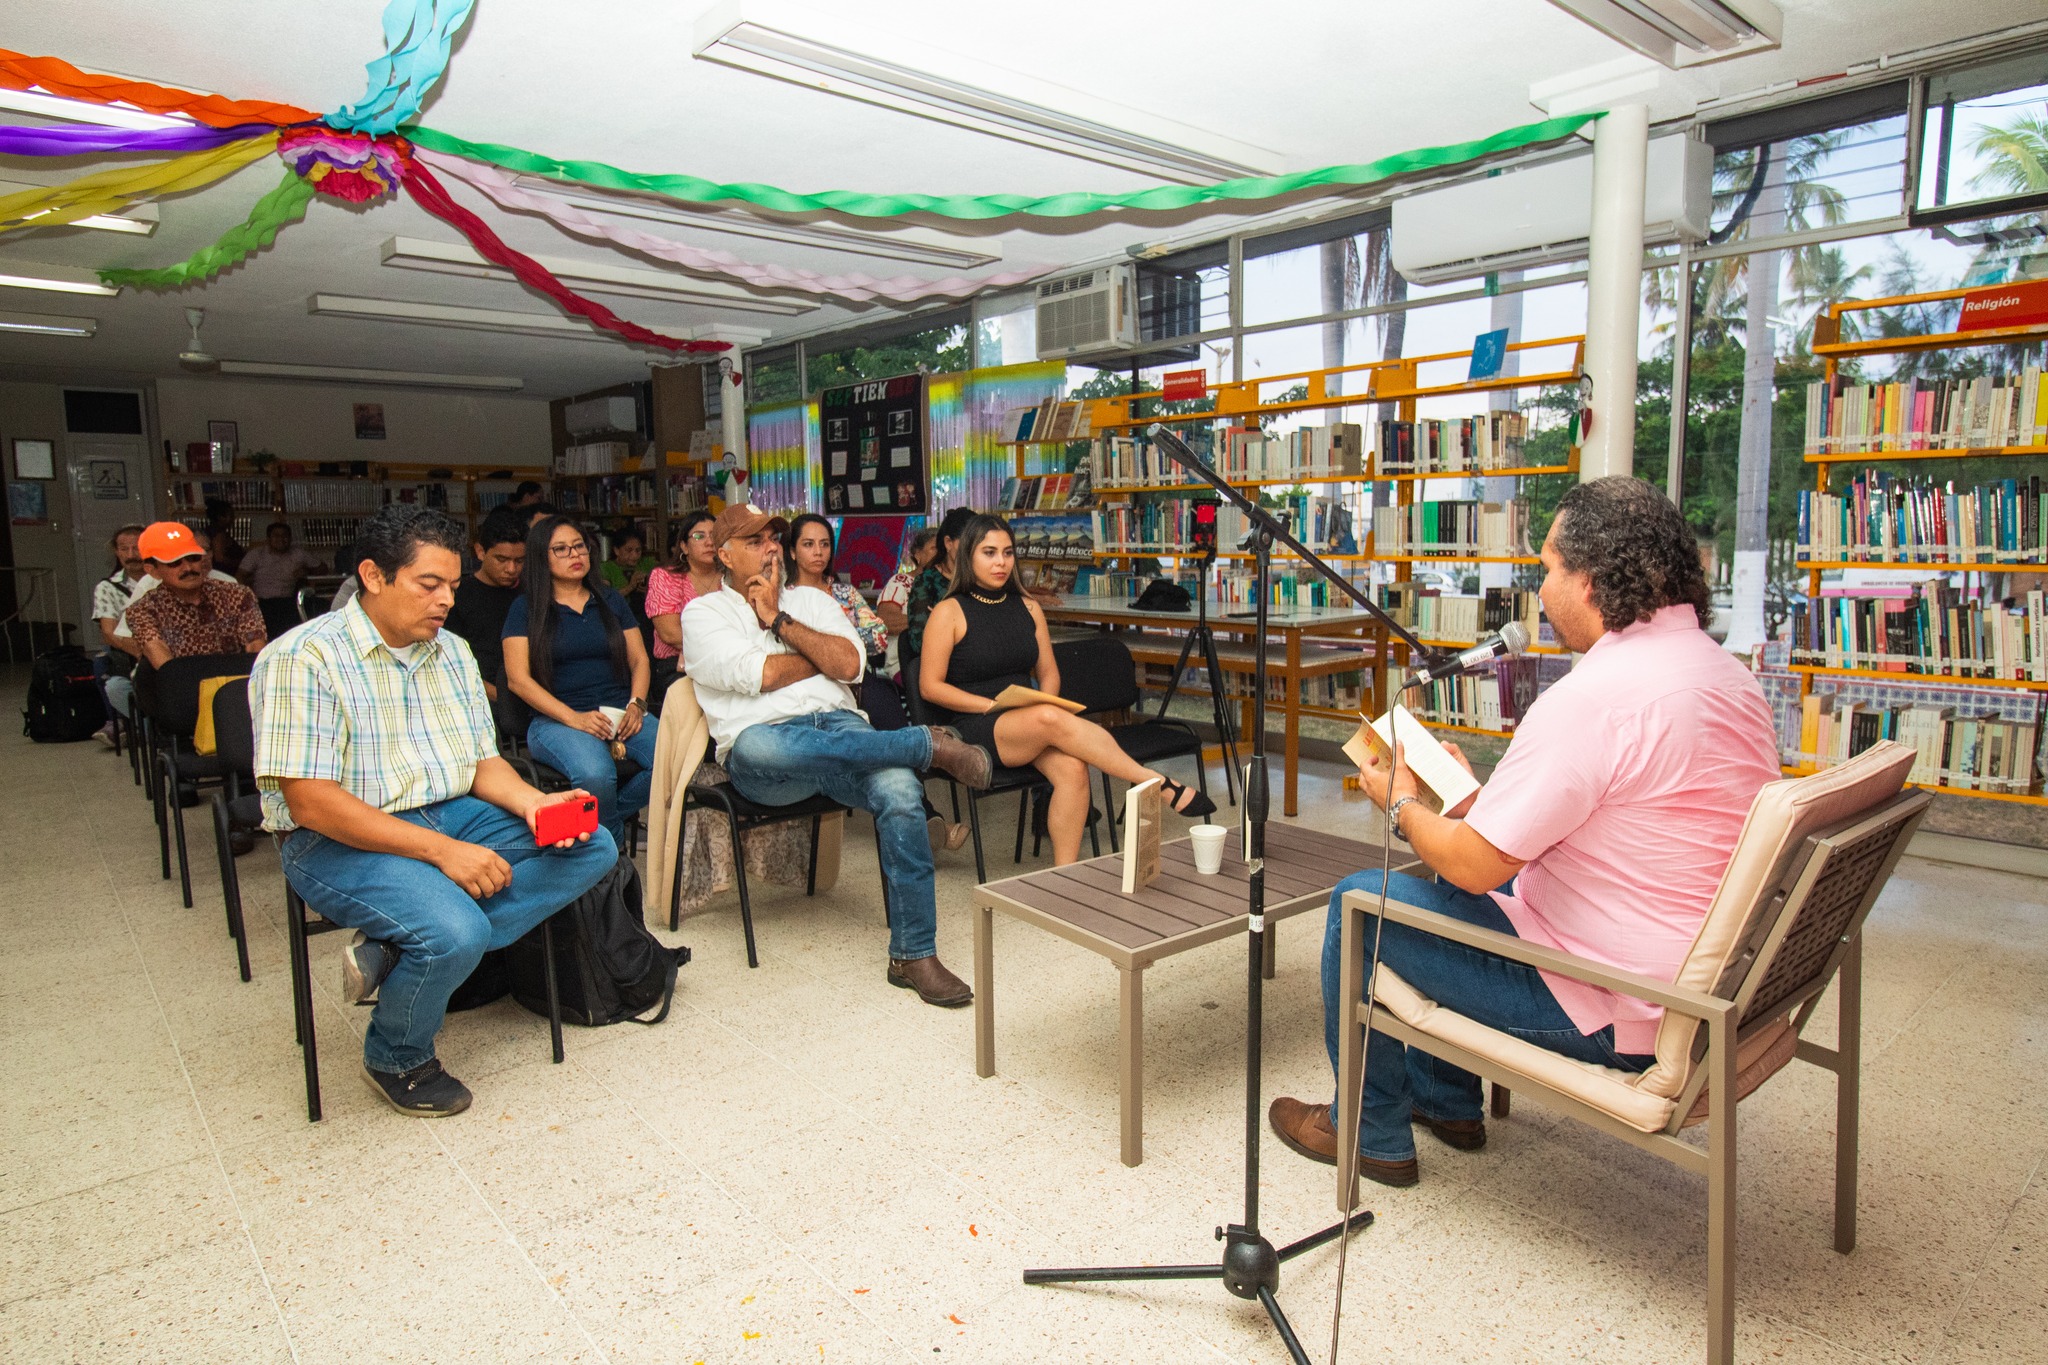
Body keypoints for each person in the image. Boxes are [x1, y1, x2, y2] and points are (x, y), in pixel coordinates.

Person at [1267, 477, 1781, 1188]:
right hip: (1703, 982)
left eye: (1547, 568)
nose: (1539, 592)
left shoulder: (1595, 698)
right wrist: (1479, 800)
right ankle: (1448, 1102)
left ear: (1592, 580)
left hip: (1620, 1007)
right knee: (1453, 864)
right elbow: (1627, 819)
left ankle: (1367, 1128)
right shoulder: (1730, 678)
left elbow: (1477, 868)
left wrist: (1401, 803)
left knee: (1359, 903)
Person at [251, 504, 614, 1118]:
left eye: (452, 584)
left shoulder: (451, 653)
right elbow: (309, 801)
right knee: (456, 932)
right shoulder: (301, 658)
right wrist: (443, 854)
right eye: (429, 584)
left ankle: (394, 948)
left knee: (592, 844)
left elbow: (480, 762)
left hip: (451, 808)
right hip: (336, 836)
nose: (447, 599)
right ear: (372, 575)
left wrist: (533, 802)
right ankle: (397, 1055)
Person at [680, 503, 995, 1007]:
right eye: (756, 541)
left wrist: (779, 621)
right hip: (769, 754)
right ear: (724, 555)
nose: (771, 549)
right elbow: (756, 676)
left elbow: (850, 665)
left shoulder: (811, 601)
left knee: (900, 789)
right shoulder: (702, 614)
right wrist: (813, 658)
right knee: (761, 745)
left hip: (843, 730)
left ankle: (913, 955)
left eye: (773, 539)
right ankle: (925, 744)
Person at [918, 514, 1215, 865]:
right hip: (975, 723)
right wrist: (991, 705)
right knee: (1047, 716)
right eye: (989, 552)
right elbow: (929, 687)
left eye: (1008, 552)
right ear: (968, 556)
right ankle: (1155, 781)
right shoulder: (949, 611)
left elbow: (1049, 674)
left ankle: (1066, 874)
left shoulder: (1028, 606)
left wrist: (1044, 700)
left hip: (1028, 717)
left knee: (1073, 769)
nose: (1001, 562)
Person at [502, 515, 658, 845]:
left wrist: (637, 705)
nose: (575, 555)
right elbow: (517, 680)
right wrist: (574, 718)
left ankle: (608, 822)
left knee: (674, 761)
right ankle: (612, 855)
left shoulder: (610, 599)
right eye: (561, 549)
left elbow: (640, 659)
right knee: (595, 775)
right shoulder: (524, 608)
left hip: (620, 713)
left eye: (580, 546)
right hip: (557, 720)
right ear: (540, 557)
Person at [124, 522, 267, 668]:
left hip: (233, 683)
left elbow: (255, 645)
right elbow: (162, 660)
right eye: (174, 563)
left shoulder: (237, 594)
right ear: (152, 570)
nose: (188, 568)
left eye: (193, 558)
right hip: (178, 686)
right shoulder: (143, 610)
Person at [442, 508, 527, 700]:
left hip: (531, 699)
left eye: (519, 560)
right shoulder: (455, 597)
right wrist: (501, 698)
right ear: (480, 551)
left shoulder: (531, 594)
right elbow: (450, 663)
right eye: (502, 559)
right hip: (477, 697)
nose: (511, 568)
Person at [644, 508, 720, 697]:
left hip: (726, 661)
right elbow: (670, 634)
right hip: (676, 666)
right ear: (684, 546)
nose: (709, 542)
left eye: (714, 535)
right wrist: (722, 649)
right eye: (698, 536)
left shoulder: (731, 577)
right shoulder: (665, 577)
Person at [899, 506, 976, 661]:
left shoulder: (983, 579)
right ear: (948, 543)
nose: (974, 549)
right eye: (969, 542)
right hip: (948, 668)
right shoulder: (927, 582)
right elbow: (918, 643)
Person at [94, 523, 148, 729]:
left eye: (137, 547)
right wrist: (145, 652)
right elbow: (109, 632)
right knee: (106, 670)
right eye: (124, 549)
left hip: (169, 646)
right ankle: (126, 724)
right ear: (116, 552)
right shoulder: (108, 587)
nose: (131, 554)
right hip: (129, 650)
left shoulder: (165, 580)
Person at [237, 521, 326, 640]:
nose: (281, 539)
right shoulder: (256, 554)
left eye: (285, 536)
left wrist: (306, 571)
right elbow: (240, 576)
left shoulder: (298, 554)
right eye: (276, 536)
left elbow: (323, 568)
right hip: (262, 603)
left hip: (288, 603)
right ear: (268, 539)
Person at [876, 526, 937, 679]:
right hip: (905, 663)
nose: (940, 554)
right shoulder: (900, 582)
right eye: (934, 548)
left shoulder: (948, 584)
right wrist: (930, 620)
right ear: (917, 554)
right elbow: (885, 621)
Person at [599, 530, 654, 596]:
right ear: (617, 550)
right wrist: (630, 587)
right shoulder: (606, 568)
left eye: (638, 550)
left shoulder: (647, 563)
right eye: (629, 550)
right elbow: (606, 598)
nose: (635, 555)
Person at [203, 498, 246, 575]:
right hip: (224, 573)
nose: (233, 519)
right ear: (220, 517)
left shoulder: (213, 530)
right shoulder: (218, 533)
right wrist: (240, 563)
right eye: (231, 515)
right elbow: (219, 558)